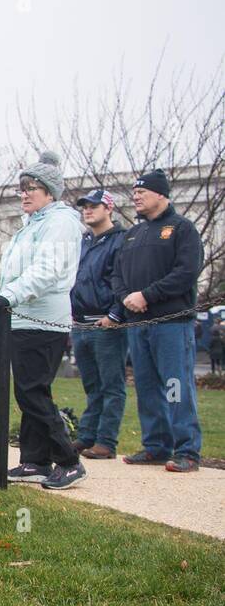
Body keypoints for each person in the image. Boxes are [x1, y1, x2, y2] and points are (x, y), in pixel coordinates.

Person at [0, 151, 86, 490]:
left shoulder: (61, 222)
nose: (24, 193)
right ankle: (35, 459)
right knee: (27, 392)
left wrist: (8, 297)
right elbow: (14, 272)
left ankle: (68, 460)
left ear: (50, 192)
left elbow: (46, 271)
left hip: (44, 320)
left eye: (32, 187)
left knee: (33, 392)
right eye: (21, 187)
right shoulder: (31, 226)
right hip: (23, 319)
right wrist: (2, 299)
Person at [111, 168, 205, 472]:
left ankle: (187, 449)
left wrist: (147, 295)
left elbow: (186, 272)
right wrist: (126, 297)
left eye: (143, 192)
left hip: (171, 325)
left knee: (175, 385)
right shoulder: (133, 234)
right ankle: (156, 446)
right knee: (148, 387)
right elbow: (118, 274)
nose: (136, 197)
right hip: (139, 326)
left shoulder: (182, 229)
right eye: (134, 193)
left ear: (161, 194)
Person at [69, 189, 127, 460]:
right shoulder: (84, 242)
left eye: (94, 206)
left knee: (111, 385)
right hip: (81, 323)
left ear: (108, 209)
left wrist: (115, 314)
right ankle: (87, 435)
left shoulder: (121, 241)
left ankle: (106, 441)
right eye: (85, 207)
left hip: (106, 323)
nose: (87, 210)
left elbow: (123, 280)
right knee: (92, 385)